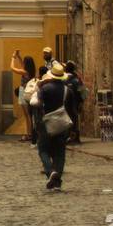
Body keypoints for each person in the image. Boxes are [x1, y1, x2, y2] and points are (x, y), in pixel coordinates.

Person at [37, 61, 77, 190]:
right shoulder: (68, 91)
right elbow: (72, 111)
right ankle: (57, 180)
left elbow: (37, 104)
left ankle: (50, 172)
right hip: (62, 124)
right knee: (59, 153)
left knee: (43, 150)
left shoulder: (45, 89)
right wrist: (73, 128)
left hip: (47, 123)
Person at [64, 60, 85, 144]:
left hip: (65, 103)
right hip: (75, 103)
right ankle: (75, 137)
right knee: (75, 120)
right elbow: (83, 92)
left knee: (67, 120)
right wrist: (81, 102)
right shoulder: (77, 79)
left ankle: (68, 136)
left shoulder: (64, 79)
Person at [17, 55, 36, 142]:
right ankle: (29, 133)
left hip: (23, 92)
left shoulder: (24, 72)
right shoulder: (30, 71)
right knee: (28, 114)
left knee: (27, 115)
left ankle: (29, 134)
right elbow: (22, 66)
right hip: (27, 92)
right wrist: (19, 57)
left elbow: (13, 68)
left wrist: (13, 58)